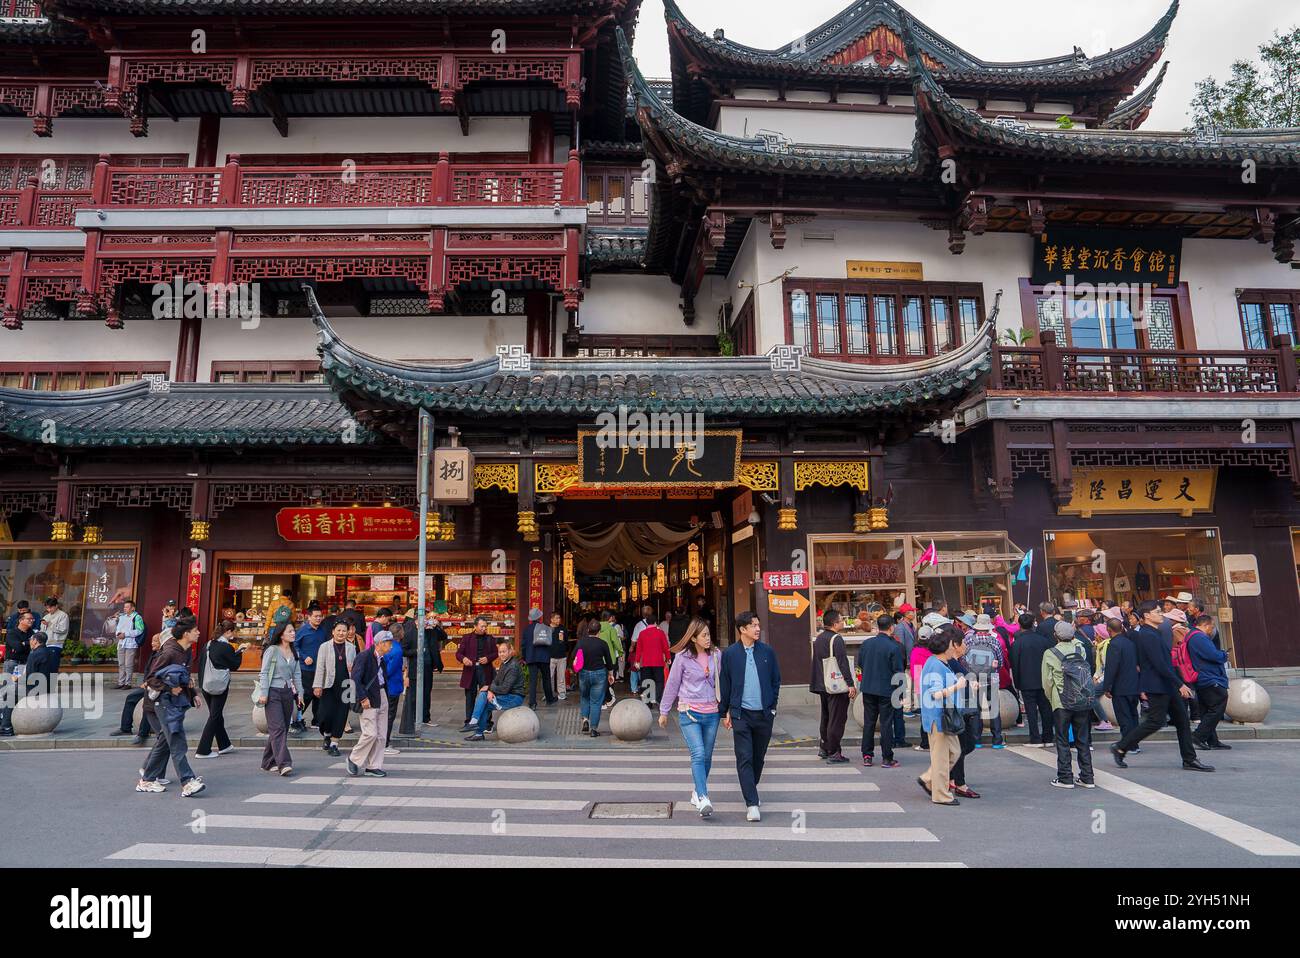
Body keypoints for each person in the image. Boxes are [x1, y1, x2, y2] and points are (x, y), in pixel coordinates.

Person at [1110, 600, 1214, 772]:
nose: (1161, 614)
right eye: (1157, 612)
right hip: (1156, 685)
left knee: (1182, 721)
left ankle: (1189, 759)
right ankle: (1121, 746)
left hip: (1165, 683)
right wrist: (1179, 683)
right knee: (1155, 721)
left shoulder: (1154, 632)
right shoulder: (1147, 635)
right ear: (1147, 616)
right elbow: (1159, 663)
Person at [659, 616, 722, 818]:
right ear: (693, 638)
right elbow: (672, 684)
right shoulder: (683, 657)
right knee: (698, 754)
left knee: (707, 757)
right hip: (689, 712)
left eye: (708, 635)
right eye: (703, 635)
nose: (707, 638)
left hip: (712, 712)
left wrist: (728, 709)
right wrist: (664, 711)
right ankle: (703, 797)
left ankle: (696, 791)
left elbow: (724, 681)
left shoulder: (716, 655)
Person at [720, 611, 781, 822]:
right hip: (741, 714)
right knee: (744, 757)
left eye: (758, 624)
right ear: (742, 629)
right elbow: (725, 684)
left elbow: (775, 680)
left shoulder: (767, 652)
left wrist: (772, 707)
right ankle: (752, 803)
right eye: (753, 625)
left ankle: (750, 790)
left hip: (764, 714)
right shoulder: (730, 654)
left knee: (758, 758)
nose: (757, 629)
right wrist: (724, 712)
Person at [136, 618, 205, 797]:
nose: (198, 633)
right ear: (186, 634)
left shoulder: (186, 652)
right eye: (195, 630)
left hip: (174, 703)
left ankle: (148, 777)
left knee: (166, 741)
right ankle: (187, 781)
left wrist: (194, 694)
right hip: (162, 703)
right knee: (176, 742)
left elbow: (185, 678)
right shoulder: (169, 652)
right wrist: (170, 688)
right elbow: (151, 678)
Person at [917, 625, 968, 806]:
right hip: (938, 718)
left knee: (954, 752)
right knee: (942, 757)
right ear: (950, 646)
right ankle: (940, 794)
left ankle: (929, 779)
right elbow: (935, 694)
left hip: (943, 717)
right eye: (958, 644)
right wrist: (957, 686)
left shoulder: (937, 663)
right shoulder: (936, 665)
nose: (960, 647)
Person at [1043, 620, 1096, 789]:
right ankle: (1087, 777)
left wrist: (1052, 699)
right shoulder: (1080, 649)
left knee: (1062, 740)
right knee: (1083, 739)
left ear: (1055, 636)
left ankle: (1065, 777)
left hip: (1061, 701)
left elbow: (1047, 681)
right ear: (1073, 635)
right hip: (1082, 698)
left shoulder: (1050, 653)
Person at [857, 613, 905, 768]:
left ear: (877, 626)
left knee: (869, 722)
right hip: (887, 690)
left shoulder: (866, 644)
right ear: (891, 627)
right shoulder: (894, 647)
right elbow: (898, 672)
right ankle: (887, 757)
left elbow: (860, 664)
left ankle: (867, 755)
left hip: (868, 687)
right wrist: (900, 693)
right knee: (886, 723)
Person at [257, 621, 305, 776]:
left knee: (281, 729)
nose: (293, 633)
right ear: (281, 634)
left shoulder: (293, 651)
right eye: (290, 631)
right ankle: (284, 763)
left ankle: (267, 761)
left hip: (287, 694)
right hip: (272, 693)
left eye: (293, 631)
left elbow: (297, 675)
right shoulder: (272, 650)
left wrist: (300, 694)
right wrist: (264, 693)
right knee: (277, 728)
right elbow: (264, 673)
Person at [195, 619, 247, 759]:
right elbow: (234, 664)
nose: (234, 634)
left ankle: (224, 745)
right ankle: (203, 749)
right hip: (219, 684)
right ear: (228, 632)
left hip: (205, 683)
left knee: (215, 714)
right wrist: (241, 651)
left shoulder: (208, 644)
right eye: (233, 631)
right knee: (215, 715)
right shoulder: (227, 647)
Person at [810, 608, 855, 764]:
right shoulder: (837, 639)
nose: (843, 621)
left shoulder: (819, 638)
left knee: (826, 716)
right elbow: (842, 663)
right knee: (837, 719)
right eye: (841, 619)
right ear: (835, 623)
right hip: (835, 685)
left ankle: (824, 746)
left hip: (823, 684)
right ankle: (834, 751)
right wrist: (850, 684)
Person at [346, 630, 393, 777]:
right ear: (380, 644)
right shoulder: (364, 656)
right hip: (368, 697)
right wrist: (362, 697)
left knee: (381, 735)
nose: (391, 646)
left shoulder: (382, 659)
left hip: (381, 695)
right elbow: (355, 678)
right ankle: (354, 759)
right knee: (371, 733)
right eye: (389, 643)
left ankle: (374, 765)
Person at [462, 637, 525, 742]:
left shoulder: (513, 666)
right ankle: (476, 729)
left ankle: (475, 725)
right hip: (507, 695)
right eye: (499, 652)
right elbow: (496, 680)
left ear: (510, 651)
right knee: (484, 698)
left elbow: (504, 688)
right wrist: (490, 690)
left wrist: (489, 688)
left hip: (514, 698)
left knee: (483, 698)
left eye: (504, 652)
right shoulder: (505, 663)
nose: (501, 654)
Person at [1186, 614, 1230, 750]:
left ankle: (1212, 740)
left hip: (1202, 677)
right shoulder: (1199, 637)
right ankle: (1199, 736)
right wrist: (1224, 655)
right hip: (1209, 677)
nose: (1212, 630)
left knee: (1206, 710)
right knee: (1218, 705)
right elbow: (1212, 655)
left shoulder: (1192, 635)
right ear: (1205, 625)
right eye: (1211, 627)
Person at [1010, 611, 1054, 747]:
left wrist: (1017, 682)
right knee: (1046, 709)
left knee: (1031, 711)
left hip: (1026, 681)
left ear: (1019, 625)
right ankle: (1048, 737)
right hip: (1043, 679)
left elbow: (1015, 665)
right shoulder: (1044, 641)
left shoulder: (1017, 643)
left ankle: (1035, 738)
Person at [313, 620, 357, 756]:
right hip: (328, 685)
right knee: (325, 714)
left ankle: (334, 743)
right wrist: (317, 685)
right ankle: (326, 733)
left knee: (341, 715)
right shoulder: (324, 647)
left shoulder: (351, 648)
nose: (341, 633)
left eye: (344, 630)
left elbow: (355, 668)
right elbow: (320, 667)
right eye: (338, 630)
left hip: (345, 685)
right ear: (333, 632)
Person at [963, 613, 1006, 749]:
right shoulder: (994, 641)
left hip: (974, 678)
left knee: (975, 709)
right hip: (991, 678)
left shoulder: (969, 640)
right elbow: (1000, 662)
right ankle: (997, 741)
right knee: (993, 708)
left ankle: (976, 740)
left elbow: (963, 661)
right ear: (988, 627)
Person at [1100, 614, 1141, 745]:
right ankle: (1134, 743)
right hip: (1134, 684)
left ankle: (1128, 744)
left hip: (1121, 686)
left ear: (1109, 629)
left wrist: (1107, 687)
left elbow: (1111, 667)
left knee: (1124, 717)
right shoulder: (1130, 643)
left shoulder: (1114, 644)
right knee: (1133, 715)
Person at [292, 603, 329, 733]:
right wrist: (304, 657)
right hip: (305, 669)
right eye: (316, 616)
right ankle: (297, 719)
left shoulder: (323, 631)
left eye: (320, 616)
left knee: (318, 695)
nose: (319, 618)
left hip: (320, 669)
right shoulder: (302, 630)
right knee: (306, 695)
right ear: (309, 617)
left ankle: (317, 720)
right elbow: (294, 646)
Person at [576, 620, 615, 736]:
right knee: (596, 702)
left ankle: (585, 720)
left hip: (584, 673)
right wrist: (611, 674)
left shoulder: (581, 642)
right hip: (599, 674)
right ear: (599, 631)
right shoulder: (602, 643)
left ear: (588, 630)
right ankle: (593, 729)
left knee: (584, 697)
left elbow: (574, 656)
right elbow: (609, 661)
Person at [457, 616, 496, 724]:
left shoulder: (490, 638)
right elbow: (459, 654)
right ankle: (469, 721)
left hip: (485, 670)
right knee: (470, 696)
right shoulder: (467, 638)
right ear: (475, 626)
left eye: (485, 626)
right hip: (470, 670)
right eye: (481, 626)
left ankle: (487, 722)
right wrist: (464, 659)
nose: (484, 628)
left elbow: (495, 653)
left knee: (486, 696)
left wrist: (488, 658)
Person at [631, 607, 670, 705]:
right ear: (656, 622)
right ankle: (657, 698)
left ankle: (648, 702)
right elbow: (666, 647)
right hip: (658, 661)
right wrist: (668, 658)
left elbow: (639, 649)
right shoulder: (660, 633)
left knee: (646, 681)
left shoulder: (642, 633)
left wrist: (637, 661)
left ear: (647, 623)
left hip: (646, 662)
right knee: (659, 681)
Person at [521, 608, 557, 708]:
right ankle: (550, 699)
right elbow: (550, 642)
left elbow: (523, 645)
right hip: (544, 657)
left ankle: (532, 703)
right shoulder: (545, 628)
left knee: (533, 681)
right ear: (539, 617)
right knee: (546, 678)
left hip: (531, 657)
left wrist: (524, 657)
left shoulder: (526, 630)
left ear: (531, 619)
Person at [380, 626, 406, 753]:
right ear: (400, 633)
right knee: (389, 715)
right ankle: (385, 743)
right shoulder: (396, 650)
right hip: (392, 686)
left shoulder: (389, 647)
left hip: (388, 685)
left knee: (386, 715)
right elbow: (389, 670)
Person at [114, 601, 145, 689]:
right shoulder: (122, 617)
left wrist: (126, 634)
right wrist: (118, 634)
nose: (125, 608)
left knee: (128, 664)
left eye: (127, 607)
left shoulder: (137, 617)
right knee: (121, 664)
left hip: (131, 644)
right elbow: (118, 628)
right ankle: (121, 682)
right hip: (121, 643)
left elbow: (140, 630)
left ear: (133, 608)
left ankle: (128, 683)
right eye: (124, 607)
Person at [598, 611, 624, 706]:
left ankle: (602, 700)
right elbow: (616, 642)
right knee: (610, 678)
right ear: (610, 618)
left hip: (598, 657)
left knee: (600, 679)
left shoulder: (596, 627)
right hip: (610, 658)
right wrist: (621, 652)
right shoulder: (611, 629)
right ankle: (608, 698)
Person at [40, 597, 69, 672]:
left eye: (50, 607)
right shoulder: (46, 616)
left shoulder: (63, 615)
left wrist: (49, 624)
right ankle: (45, 683)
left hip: (55, 644)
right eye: (47, 608)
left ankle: (51, 683)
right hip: (45, 644)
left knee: (53, 667)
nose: (49, 610)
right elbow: (42, 630)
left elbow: (63, 629)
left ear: (56, 606)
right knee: (44, 667)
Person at [547, 612, 569, 702]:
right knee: (549, 676)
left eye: (559, 618)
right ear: (551, 619)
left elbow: (566, 641)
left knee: (561, 676)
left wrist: (565, 651)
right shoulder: (547, 629)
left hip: (562, 656)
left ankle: (562, 693)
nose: (558, 620)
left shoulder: (563, 629)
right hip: (550, 657)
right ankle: (549, 693)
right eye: (556, 618)